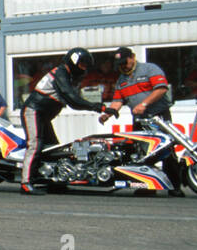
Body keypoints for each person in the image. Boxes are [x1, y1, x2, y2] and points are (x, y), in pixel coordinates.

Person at [19, 48, 108, 195]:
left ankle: (54, 181)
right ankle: (26, 182)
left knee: (54, 148)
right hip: (33, 111)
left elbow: (74, 102)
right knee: (35, 144)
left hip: (43, 116)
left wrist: (98, 107)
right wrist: (98, 107)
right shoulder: (61, 73)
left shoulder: (70, 76)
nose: (84, 68)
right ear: (74, 61)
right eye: (82, 64)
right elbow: (71, 98)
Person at [102, 46, 183, 196]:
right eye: (119, 64)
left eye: (125, 62)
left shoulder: (150, 69)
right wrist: (108, 114)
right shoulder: (122, 80)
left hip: (159, 116)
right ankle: (147, 186)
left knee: (167, 150)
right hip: (139, 119)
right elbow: (117, 101)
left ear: (132, 57)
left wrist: (144, 104)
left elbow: (161, 89)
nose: (123, 66)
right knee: (141, 153)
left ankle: (175, 187)